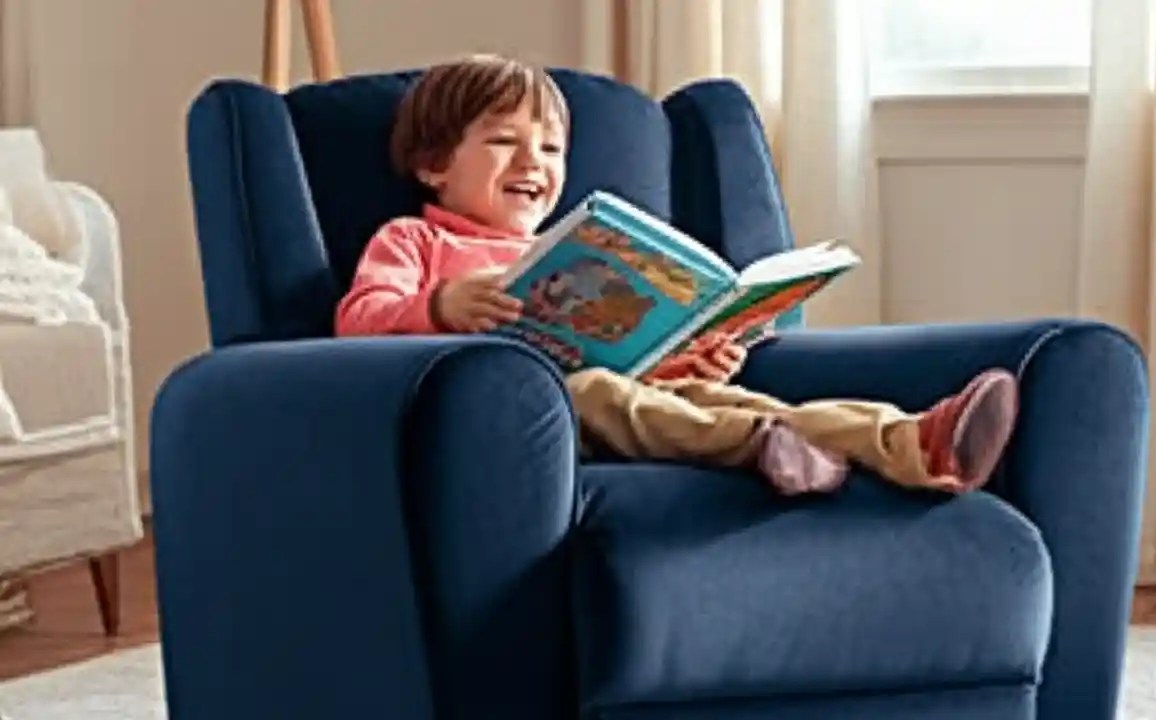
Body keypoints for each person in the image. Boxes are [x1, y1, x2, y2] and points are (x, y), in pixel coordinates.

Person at [335, 53, 1019, 496]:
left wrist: (691, 354)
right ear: (432, 164)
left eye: (550, 147)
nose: (533, 163)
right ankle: (760, 450)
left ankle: (912, 440)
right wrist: (442, 305)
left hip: (631, 399)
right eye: (504, 142)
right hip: (531, 417)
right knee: (602, 391)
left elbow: (632, 363)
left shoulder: (565, 248)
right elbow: (356, 320)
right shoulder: (416, 239)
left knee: (742, 401)